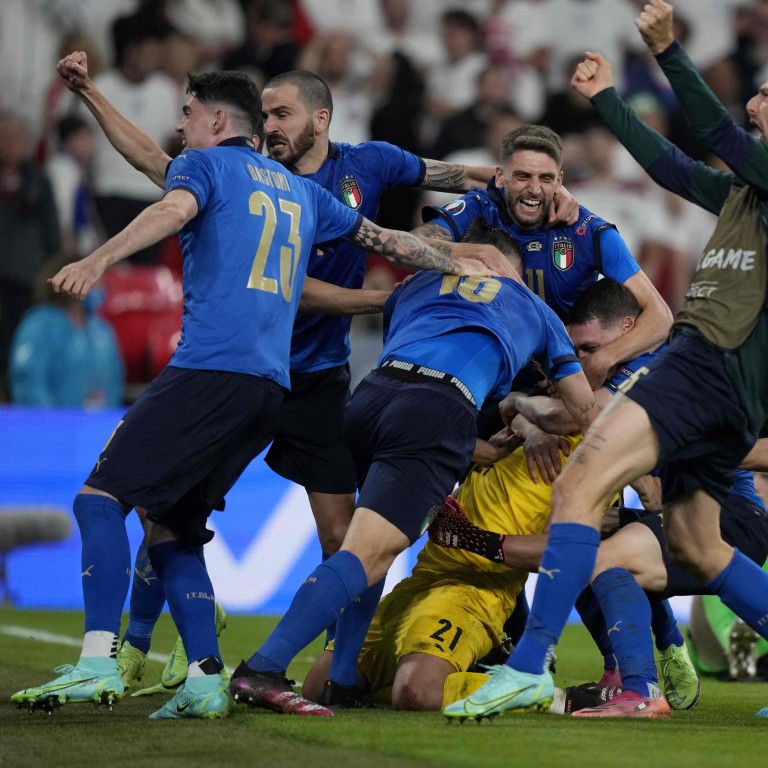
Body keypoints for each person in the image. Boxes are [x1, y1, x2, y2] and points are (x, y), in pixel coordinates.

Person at [53, 51, 561, 692]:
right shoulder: (257, 174)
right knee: (172, 510)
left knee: (336, 534)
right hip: (260, 368)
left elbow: (450, 177)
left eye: (281, 112)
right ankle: (150, 645)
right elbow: (168, 177)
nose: (269, 124)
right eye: (262, 113)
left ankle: (328, 668)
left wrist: (516, 183)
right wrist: (396, 292)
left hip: (311, 378)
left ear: (321, 118)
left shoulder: (364, 165)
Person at [443, 0, 768, 722]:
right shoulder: (752, 193)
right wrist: (608, 101)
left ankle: (528, 666)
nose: (758, 99)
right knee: (698, 544)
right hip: (731, 385)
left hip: (707, 361)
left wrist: (668, 51)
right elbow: (676, 166)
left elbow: (716, 132)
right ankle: (602, 676)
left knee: (581, 481)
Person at [228, 221, 600, 716]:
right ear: (514, 268)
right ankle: (263, 668)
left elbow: (406, 351)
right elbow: (587, 412)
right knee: (366, 554)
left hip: (372, 397)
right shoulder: (535, 308)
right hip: (438, 405)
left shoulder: (416, 285)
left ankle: (341, 680)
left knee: (368, 543)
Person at [297, 276, 664, 712]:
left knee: (417, 691)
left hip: (477, 591)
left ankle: (553, 696)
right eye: (573, 350)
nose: (574, 361)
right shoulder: (525, 407)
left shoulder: (607, 445)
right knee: (319, 686)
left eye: (588, 351)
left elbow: (563, 551)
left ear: (624, 340)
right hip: (426, 575)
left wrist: (475, 540)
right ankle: (490, 672)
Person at [413, 123, 673, 390]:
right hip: (480, 365)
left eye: (545, 179)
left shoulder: (589, 233)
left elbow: (661, 318)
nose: (535, 189)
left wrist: (602, 359)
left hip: (555, 379)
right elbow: (415, 245)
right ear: (500, 177)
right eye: (523, 176)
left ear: (559, 181)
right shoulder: (479, 207)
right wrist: (481, 252)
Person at [9, 255, 123, 408]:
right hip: (51, 426)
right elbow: (29, 381)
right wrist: (52, 424)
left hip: (98, 426)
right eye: (95, 282)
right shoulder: (40, 325)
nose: (100, 288)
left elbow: (115, 380)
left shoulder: (102, 330)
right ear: (71, 281)